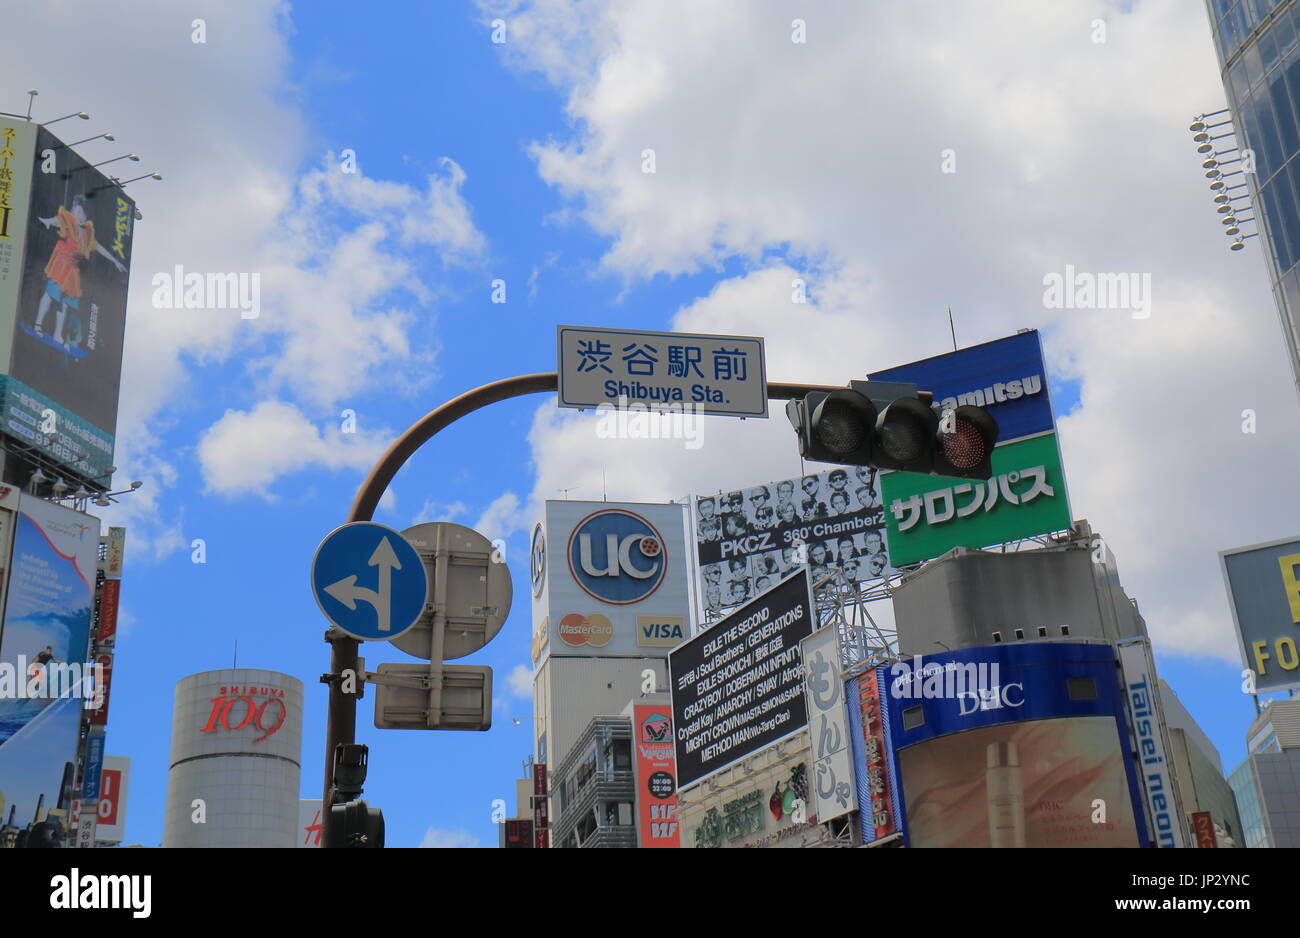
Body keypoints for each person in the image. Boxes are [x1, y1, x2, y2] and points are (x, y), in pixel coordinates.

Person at [33, 194, 126, 351]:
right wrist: (47, 221)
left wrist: (115, 261)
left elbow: (99, 247)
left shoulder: (88, 233)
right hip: (61, 263)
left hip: (72, 270)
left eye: (79, 211)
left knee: (66, 301)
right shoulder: (69, 220)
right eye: (74, 210)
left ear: (84, 216)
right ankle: (38, 325)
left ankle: (57, 334)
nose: (75, 213)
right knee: (50, 293)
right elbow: (58, 220)